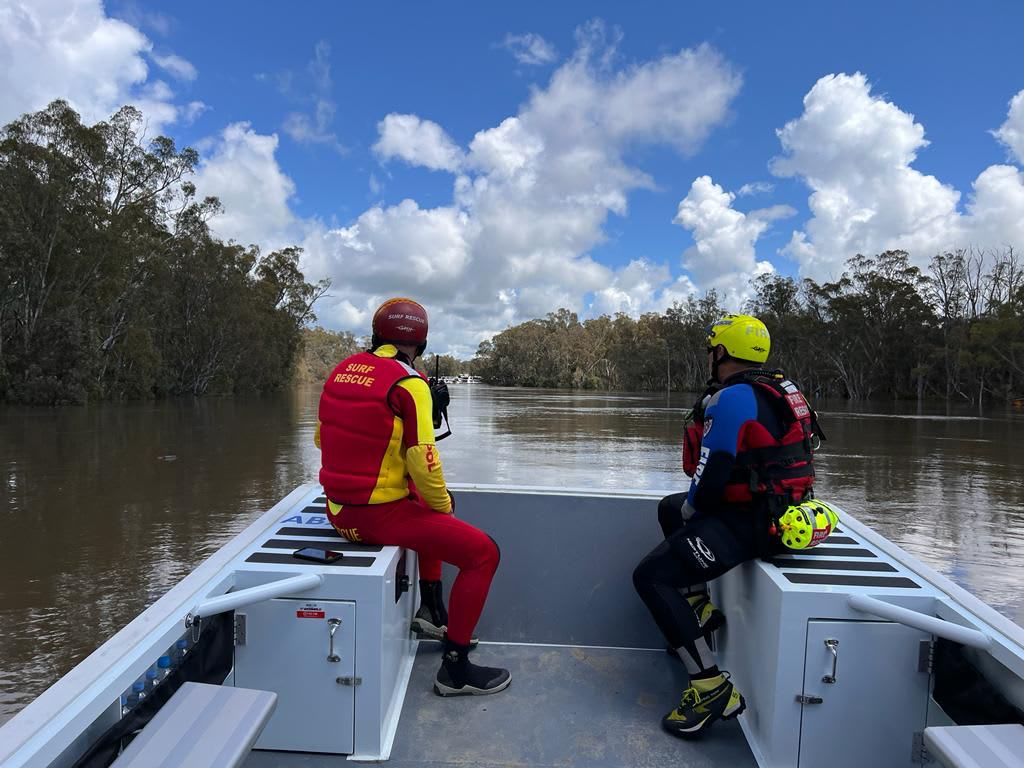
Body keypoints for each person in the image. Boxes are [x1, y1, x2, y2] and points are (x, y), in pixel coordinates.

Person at [633, 314, 820, 737]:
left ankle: (710, 687)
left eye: (711, 350)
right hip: (783, 514)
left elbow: (712, 473)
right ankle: (697, 606)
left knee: (651, 577)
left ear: (720, 352)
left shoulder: (732, 398)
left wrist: (692, 513)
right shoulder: (780, 390)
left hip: (753, 524)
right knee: (668, 507)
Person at [315, 297, 511, 697]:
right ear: (420, 342)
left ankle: (432, 610)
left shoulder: (341, 371)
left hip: (337, 512)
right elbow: (423, 462)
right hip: (374, 519)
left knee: (423, 504)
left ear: (376, 334)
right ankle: (455, 669)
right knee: (483, 553)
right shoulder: (410, 384)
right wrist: (445, 509)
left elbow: (321, 437)